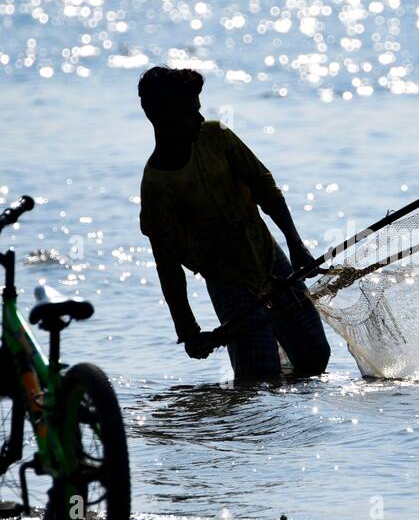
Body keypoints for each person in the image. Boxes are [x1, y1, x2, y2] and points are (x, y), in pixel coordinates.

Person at [136, 66, 330, 380]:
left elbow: (267, 190)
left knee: (315, 359)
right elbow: (168, 268)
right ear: (164, 120)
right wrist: (188, 331)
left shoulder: (217, 137)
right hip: (227, 280)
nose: (200, 120)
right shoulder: (156, 187)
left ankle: (279, 352)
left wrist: (296, 245)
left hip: (268, 257)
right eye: (190, 113)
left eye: (199, 111)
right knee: (257, 377)